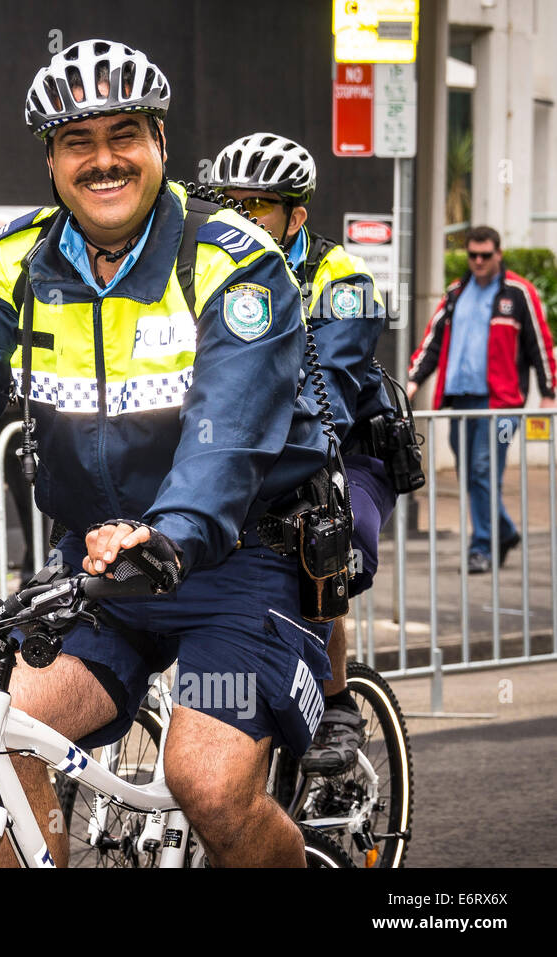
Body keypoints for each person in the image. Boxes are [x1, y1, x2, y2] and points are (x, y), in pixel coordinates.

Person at [0, 39, 336, 867]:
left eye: (124, 134)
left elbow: (228, 430)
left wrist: (170, 532)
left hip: (233, 561)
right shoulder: (20, 263)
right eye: (76, 142)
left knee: (206, 782)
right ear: (51, 160)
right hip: (93, 569)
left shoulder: (231, 260)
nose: (104, 160)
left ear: (161, 145)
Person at [208, 131, 397, 773]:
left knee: (325, 547)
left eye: (259, 204)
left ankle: (339, 703)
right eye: (230, 202)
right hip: (260, 447)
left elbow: (331, 397)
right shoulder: (210, 268)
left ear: (298, 215)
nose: (242, 216)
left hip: (351, 448)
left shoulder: (343, 280)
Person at [408, 225, 556, 574]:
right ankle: (504, 532)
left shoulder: (518, 293)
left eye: (485, 255)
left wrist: (549, 393)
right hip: (461, 403)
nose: (477, 261)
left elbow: (540, 345)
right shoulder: (456, 293)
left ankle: (483, 547)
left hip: (502, 406)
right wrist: (414, 380)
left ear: (498, 254)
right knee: (470, 474)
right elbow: (433, 342)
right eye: (472, 255)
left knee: (482, 470)